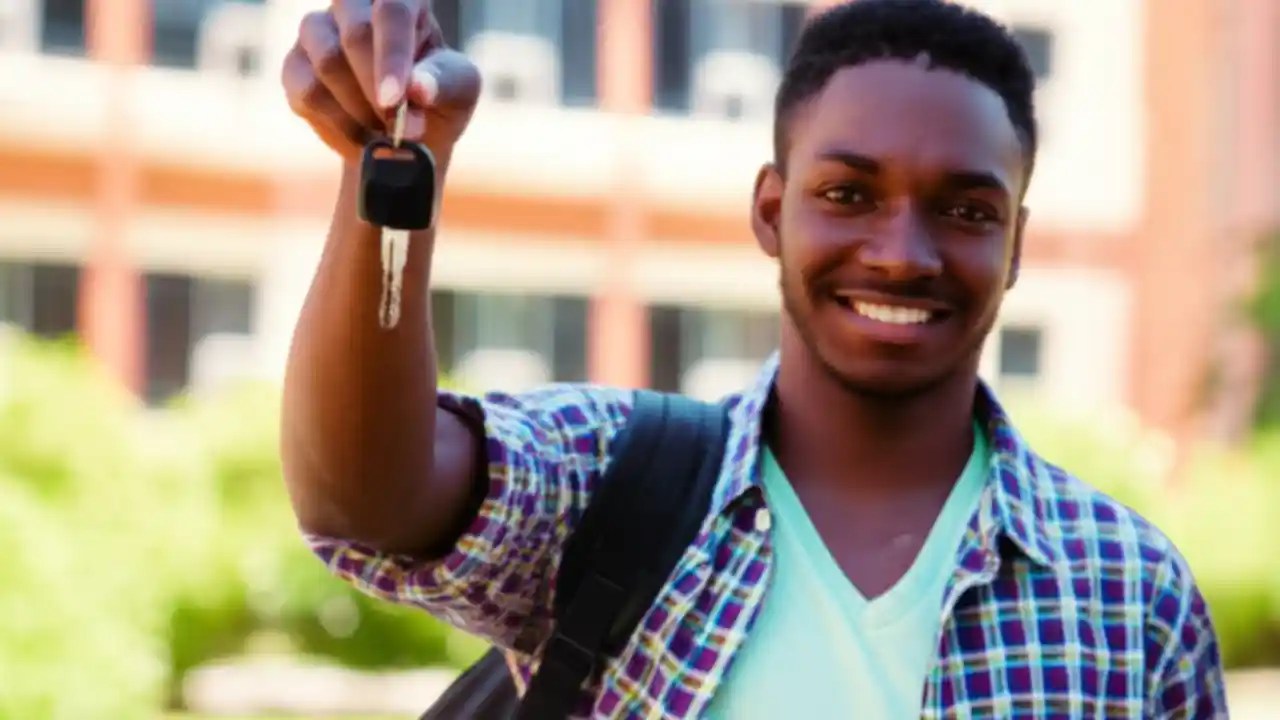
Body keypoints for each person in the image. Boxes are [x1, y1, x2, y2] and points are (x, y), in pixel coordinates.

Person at [279, 0, 1229, 717]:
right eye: (849, 194)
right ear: (772, 211)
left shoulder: (1128, 590)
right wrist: (396, 168)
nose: (903, 251)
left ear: (1015, 246)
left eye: (966, 211)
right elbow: (367, 497)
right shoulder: (617, 482)